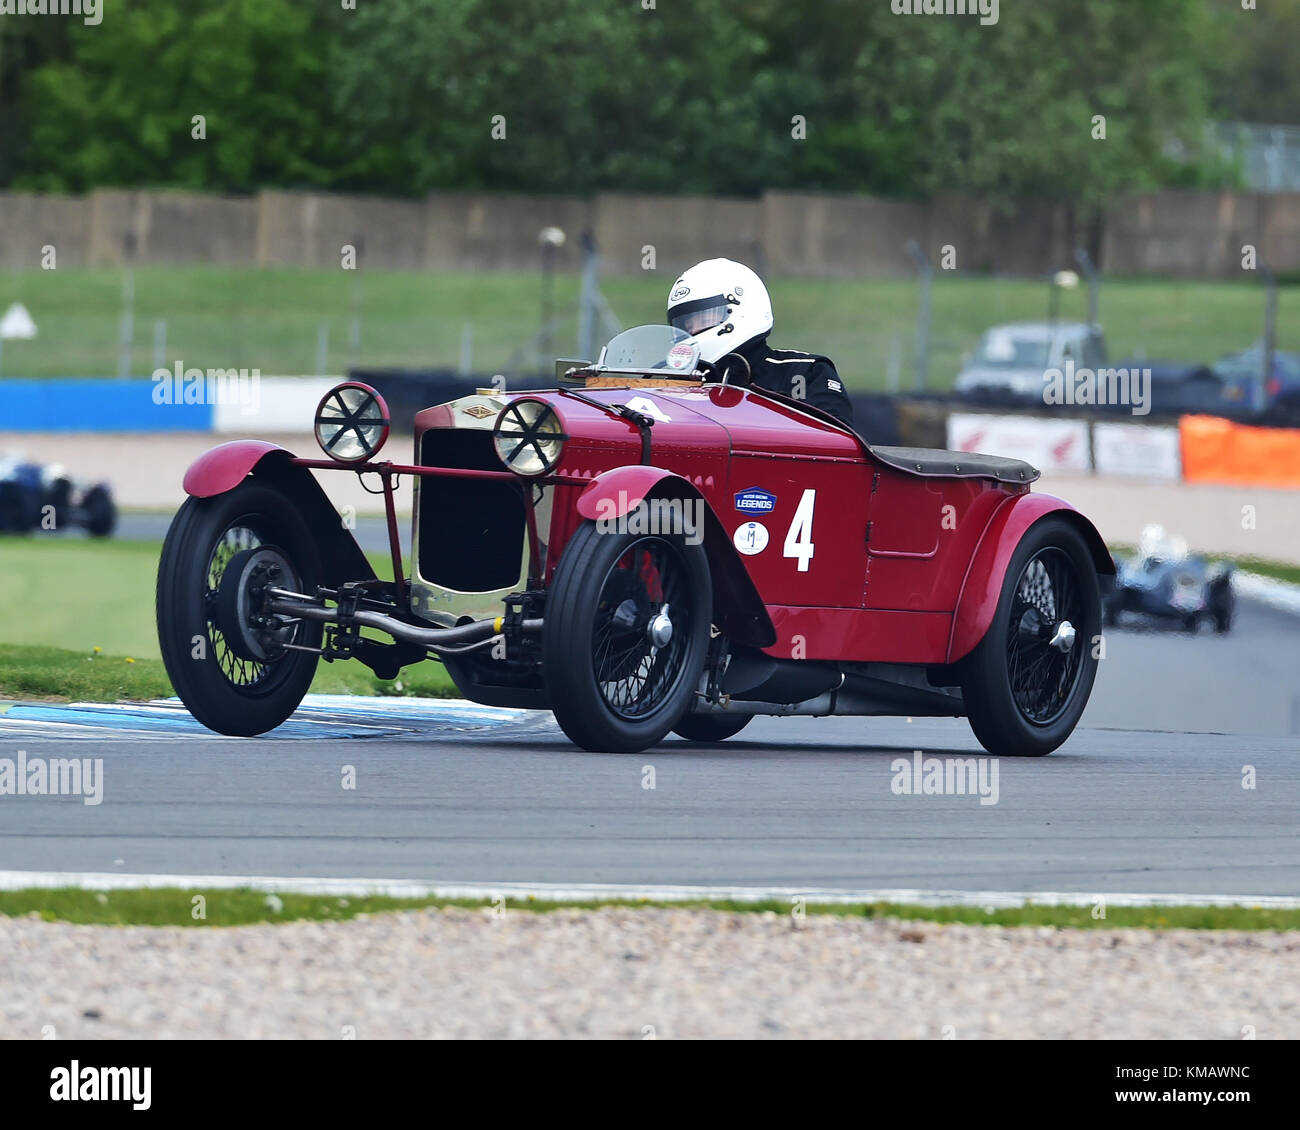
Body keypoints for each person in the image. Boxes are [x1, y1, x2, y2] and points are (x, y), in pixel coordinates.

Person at [666, 258, 854, 426]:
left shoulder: (806, 373)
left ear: (741, 310)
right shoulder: (675, 383)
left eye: (703, 319)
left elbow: (836, 452)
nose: (691, 331)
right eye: (684, 324)